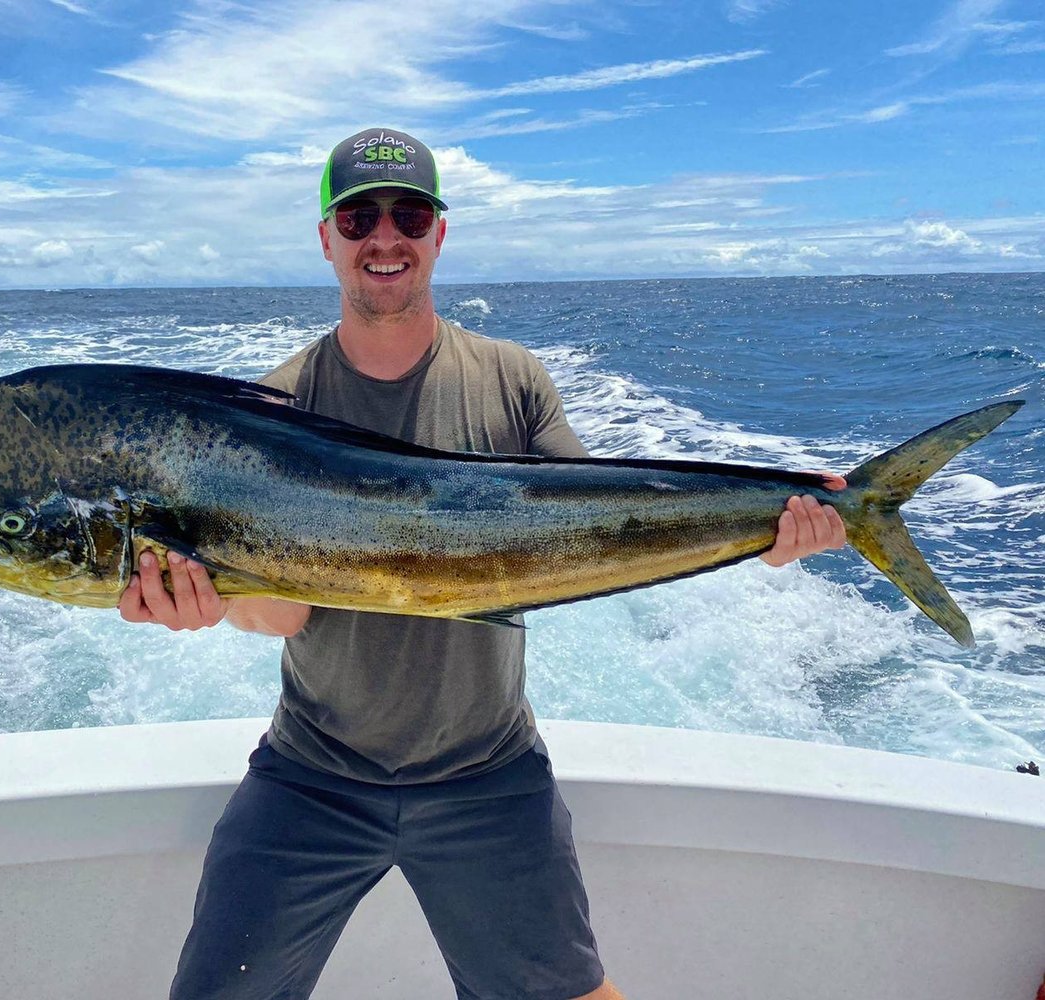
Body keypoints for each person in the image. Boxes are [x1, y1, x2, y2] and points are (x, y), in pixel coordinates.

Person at [119, 127, 848, 1000]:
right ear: (326, 239)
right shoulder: (274, 408)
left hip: (488, 773)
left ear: (437, 233)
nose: (383, 237)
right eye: (358, 219)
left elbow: (600, 524)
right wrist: (214, 599)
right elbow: (282, 611)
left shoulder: (509, 380)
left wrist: (764, 529)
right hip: (313, 774)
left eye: (408, 215)